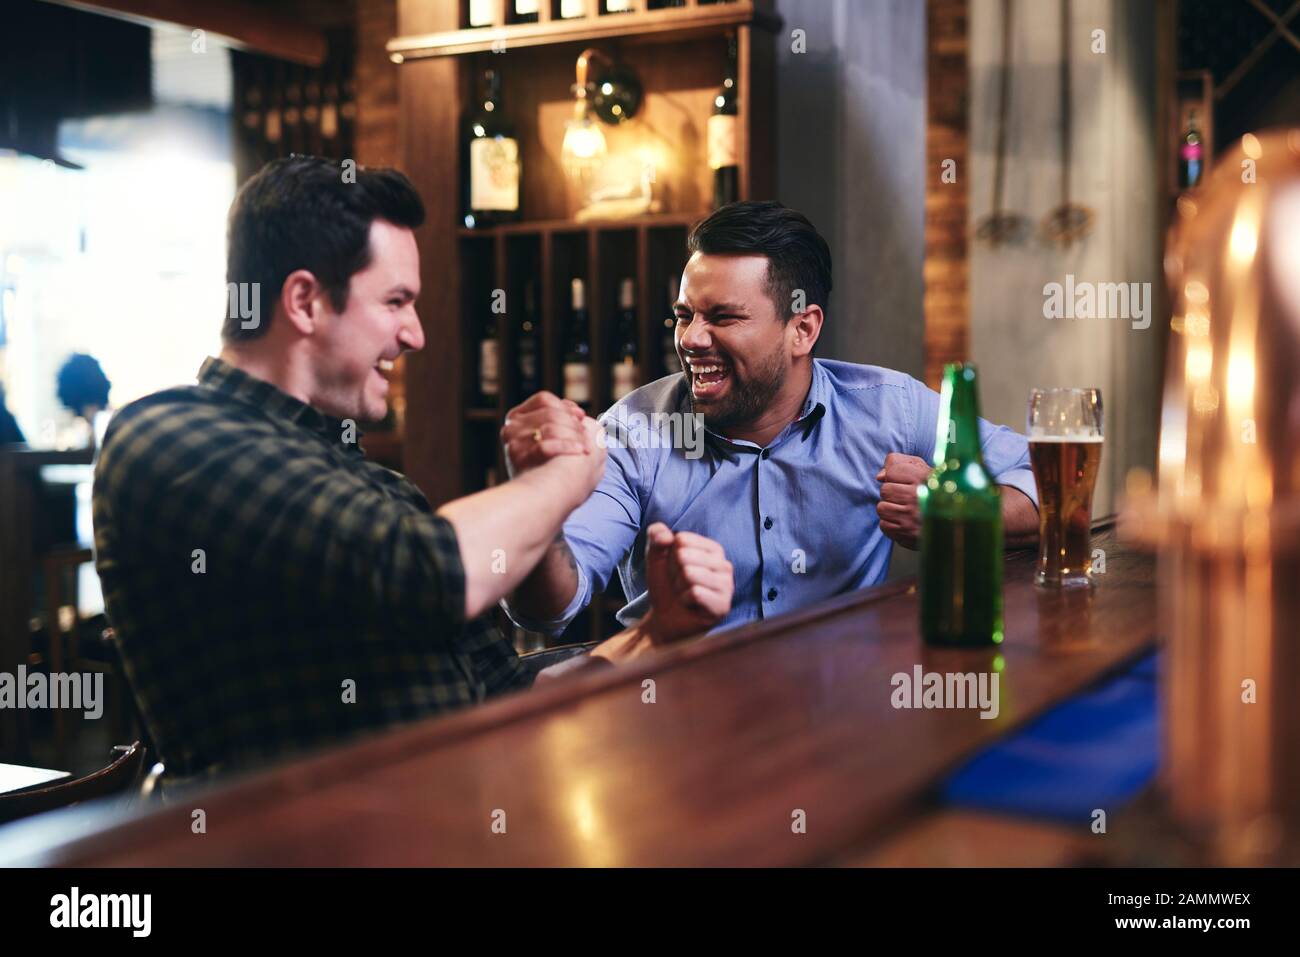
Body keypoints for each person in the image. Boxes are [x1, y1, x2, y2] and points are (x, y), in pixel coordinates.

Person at [92, 156, 732, 784]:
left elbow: (503, 690)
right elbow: (425, 573)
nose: (415, 335)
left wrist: (652, 639)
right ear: (305, 302)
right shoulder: (171, 435)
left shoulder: (372, 484)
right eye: (396, 301)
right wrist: (564, 477)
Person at [505, 200, 1039, 637]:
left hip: (844, 721)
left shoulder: (889, 407)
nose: (690, 339)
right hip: (679, 722)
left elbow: (1043, 485)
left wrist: (960, 512)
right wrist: (536, 504)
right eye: (685, 315)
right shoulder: (635, 432)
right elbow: (551, 607)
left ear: (802, 330)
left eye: (723, 317)